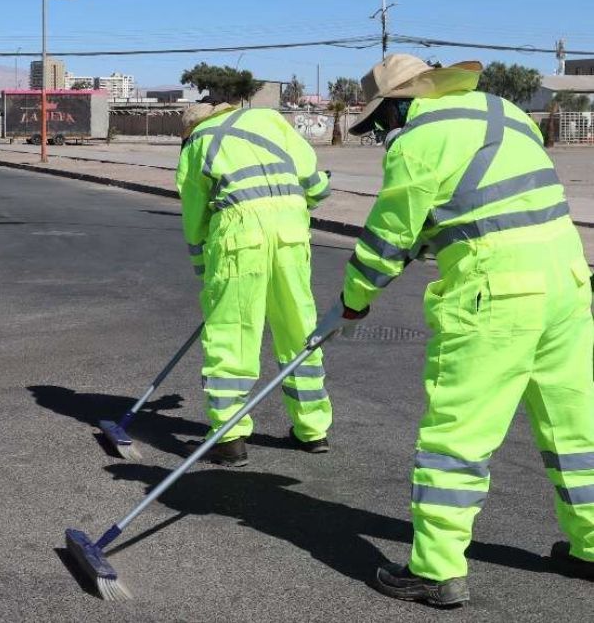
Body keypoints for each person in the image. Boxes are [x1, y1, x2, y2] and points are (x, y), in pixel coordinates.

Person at [316, 54, 594, 606]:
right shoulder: (504, 111)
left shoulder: (416, 140)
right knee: (575, 427)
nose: (381, 134)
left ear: (399, 104)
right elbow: (486, 201)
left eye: (379, 123)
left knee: (457, 437)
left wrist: (352, 303)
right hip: (568, 281)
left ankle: (436, 571)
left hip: (495, 295)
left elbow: (386, 240)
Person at [175, 102, 333, 466]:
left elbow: (195, 221)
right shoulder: (269, 119)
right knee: (299, 330)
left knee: (232, 336)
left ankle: (229, 440)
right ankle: (312, 430)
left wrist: (208, 280)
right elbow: (317, 186)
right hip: (292, 231)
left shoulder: (197, 144)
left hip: (237, 236)